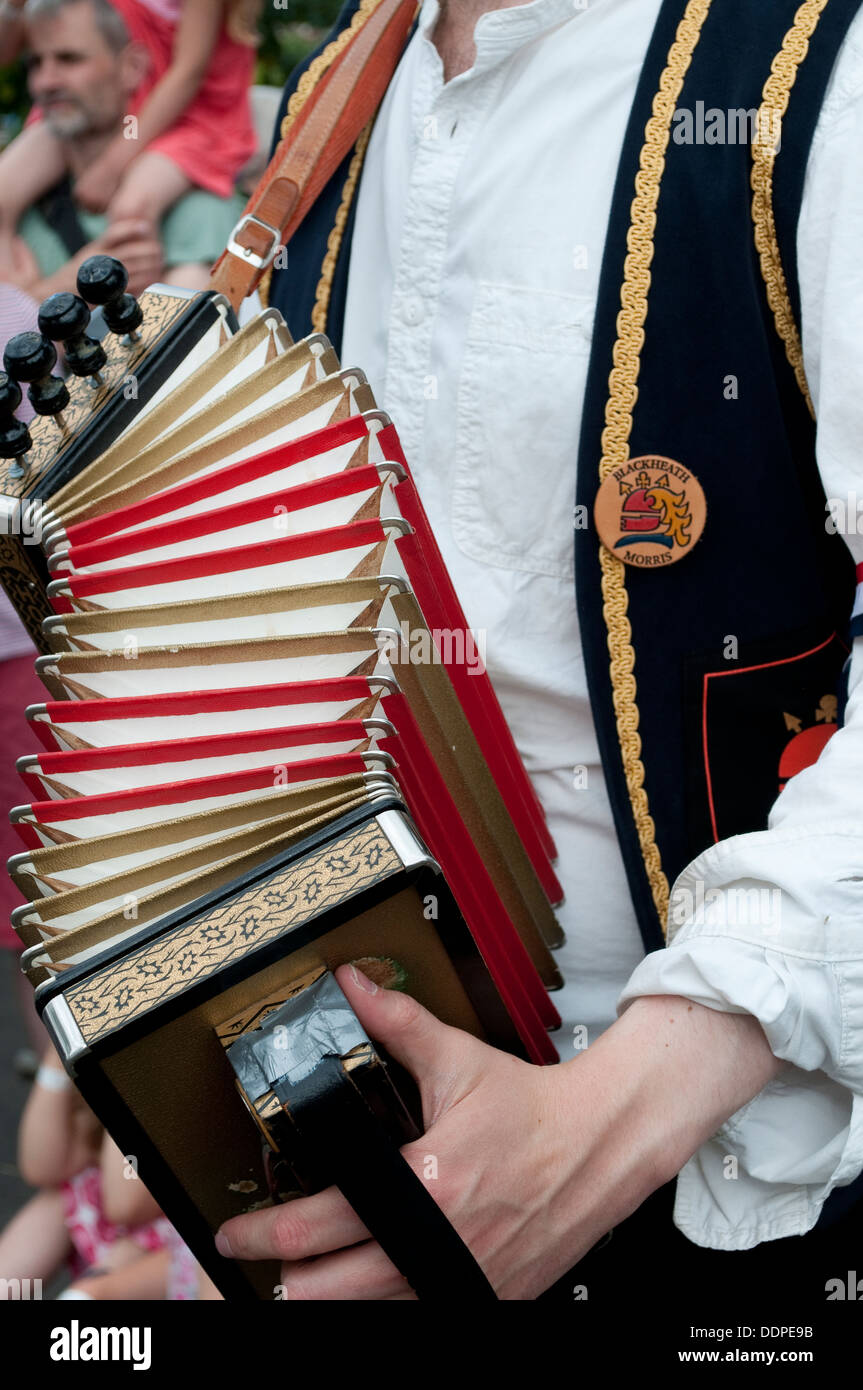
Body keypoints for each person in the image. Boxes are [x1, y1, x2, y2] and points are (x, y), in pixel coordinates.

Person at [211, 0, 863, 1303]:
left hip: (733, 1192)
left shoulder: (817, 62)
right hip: (380, 1144)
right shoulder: (339, 85)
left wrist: (601, 1128)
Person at [0, 0, 250, 299]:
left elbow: (189, 71)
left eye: (70, 59)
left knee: (131, 212)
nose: (46, 80)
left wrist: (111, 167)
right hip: (122, 107)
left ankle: (128, 309)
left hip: (187, 116)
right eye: (36, 64)